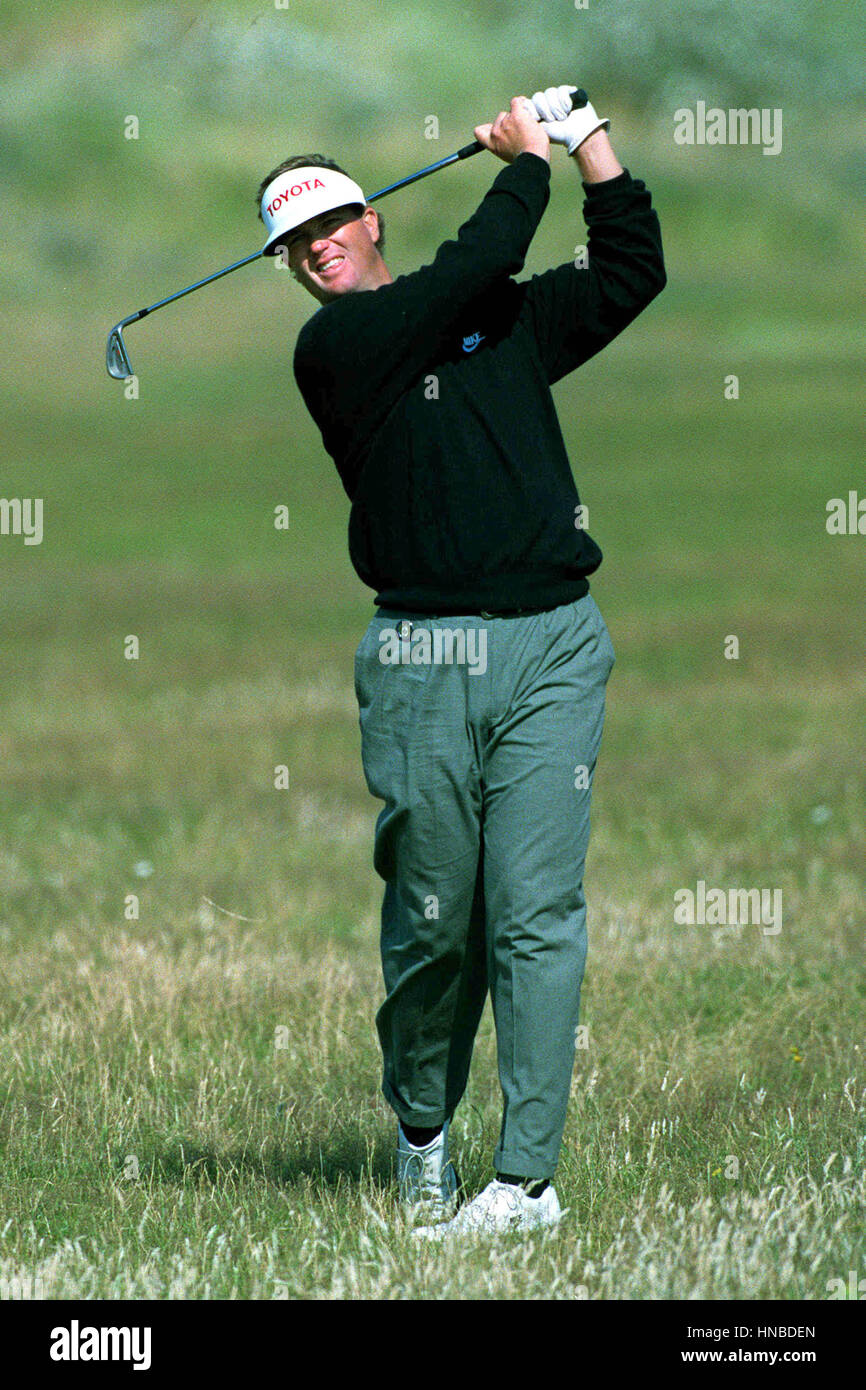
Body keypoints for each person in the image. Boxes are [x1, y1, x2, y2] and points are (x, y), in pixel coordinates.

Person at [256, 85, 666, 1238]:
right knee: (438, 923)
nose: (317, 247)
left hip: (552, 644)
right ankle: (423, 1126)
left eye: (329, 222)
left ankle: (523, 1181)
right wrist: (522, 162)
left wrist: (585, 141)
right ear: (288, 267)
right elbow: (473, 262)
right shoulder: (337, 345)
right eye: (292, 243)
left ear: (370, 219)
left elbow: (628, 269)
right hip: (420, 655)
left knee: (534, 912)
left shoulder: (496, 319)